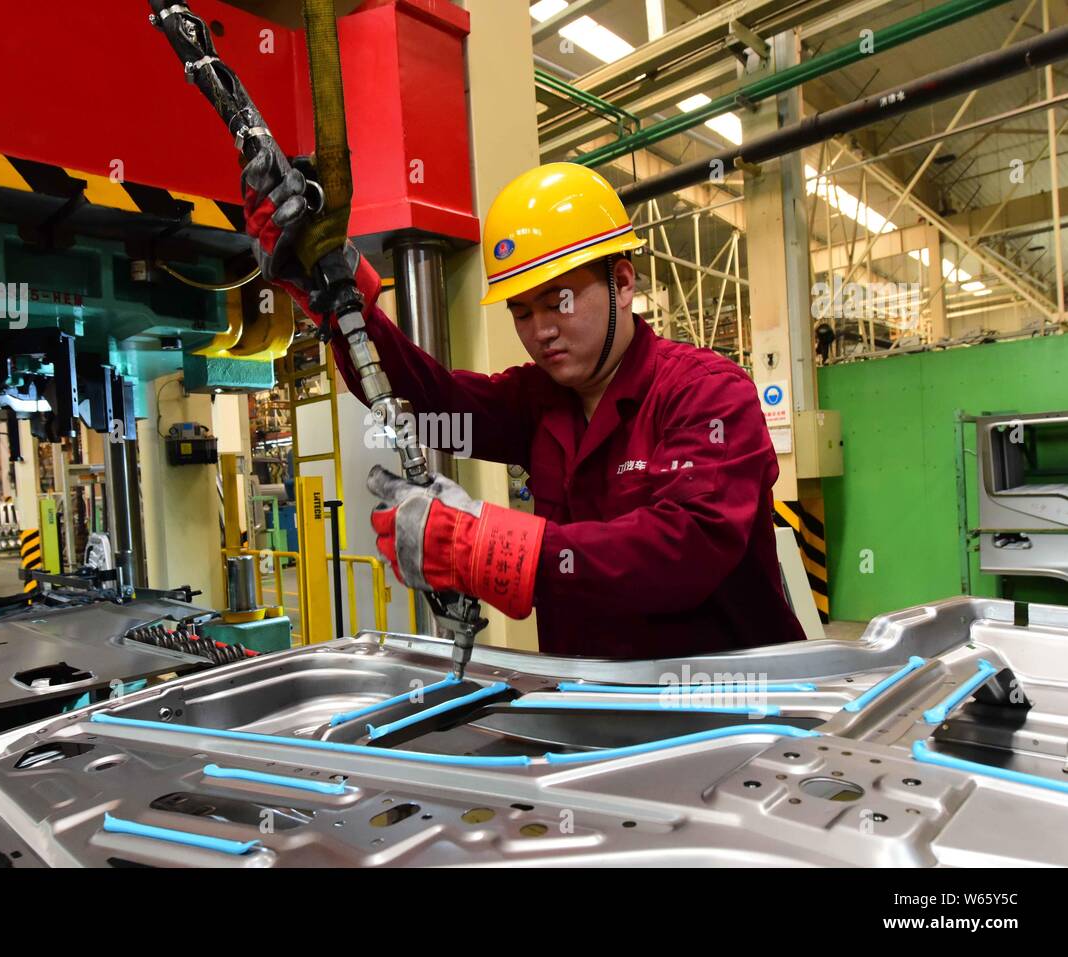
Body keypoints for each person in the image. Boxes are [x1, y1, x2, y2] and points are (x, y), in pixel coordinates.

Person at [242, 155, 806, 657]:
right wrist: (340, 297)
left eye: (559, 300)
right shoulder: (535, 401)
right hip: (591, 709)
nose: (541, 332)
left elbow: (685, 550)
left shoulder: (706, 391)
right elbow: (428, 406)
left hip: (729, 713)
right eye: (521, 311)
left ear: (624, 283)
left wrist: (495, 550)